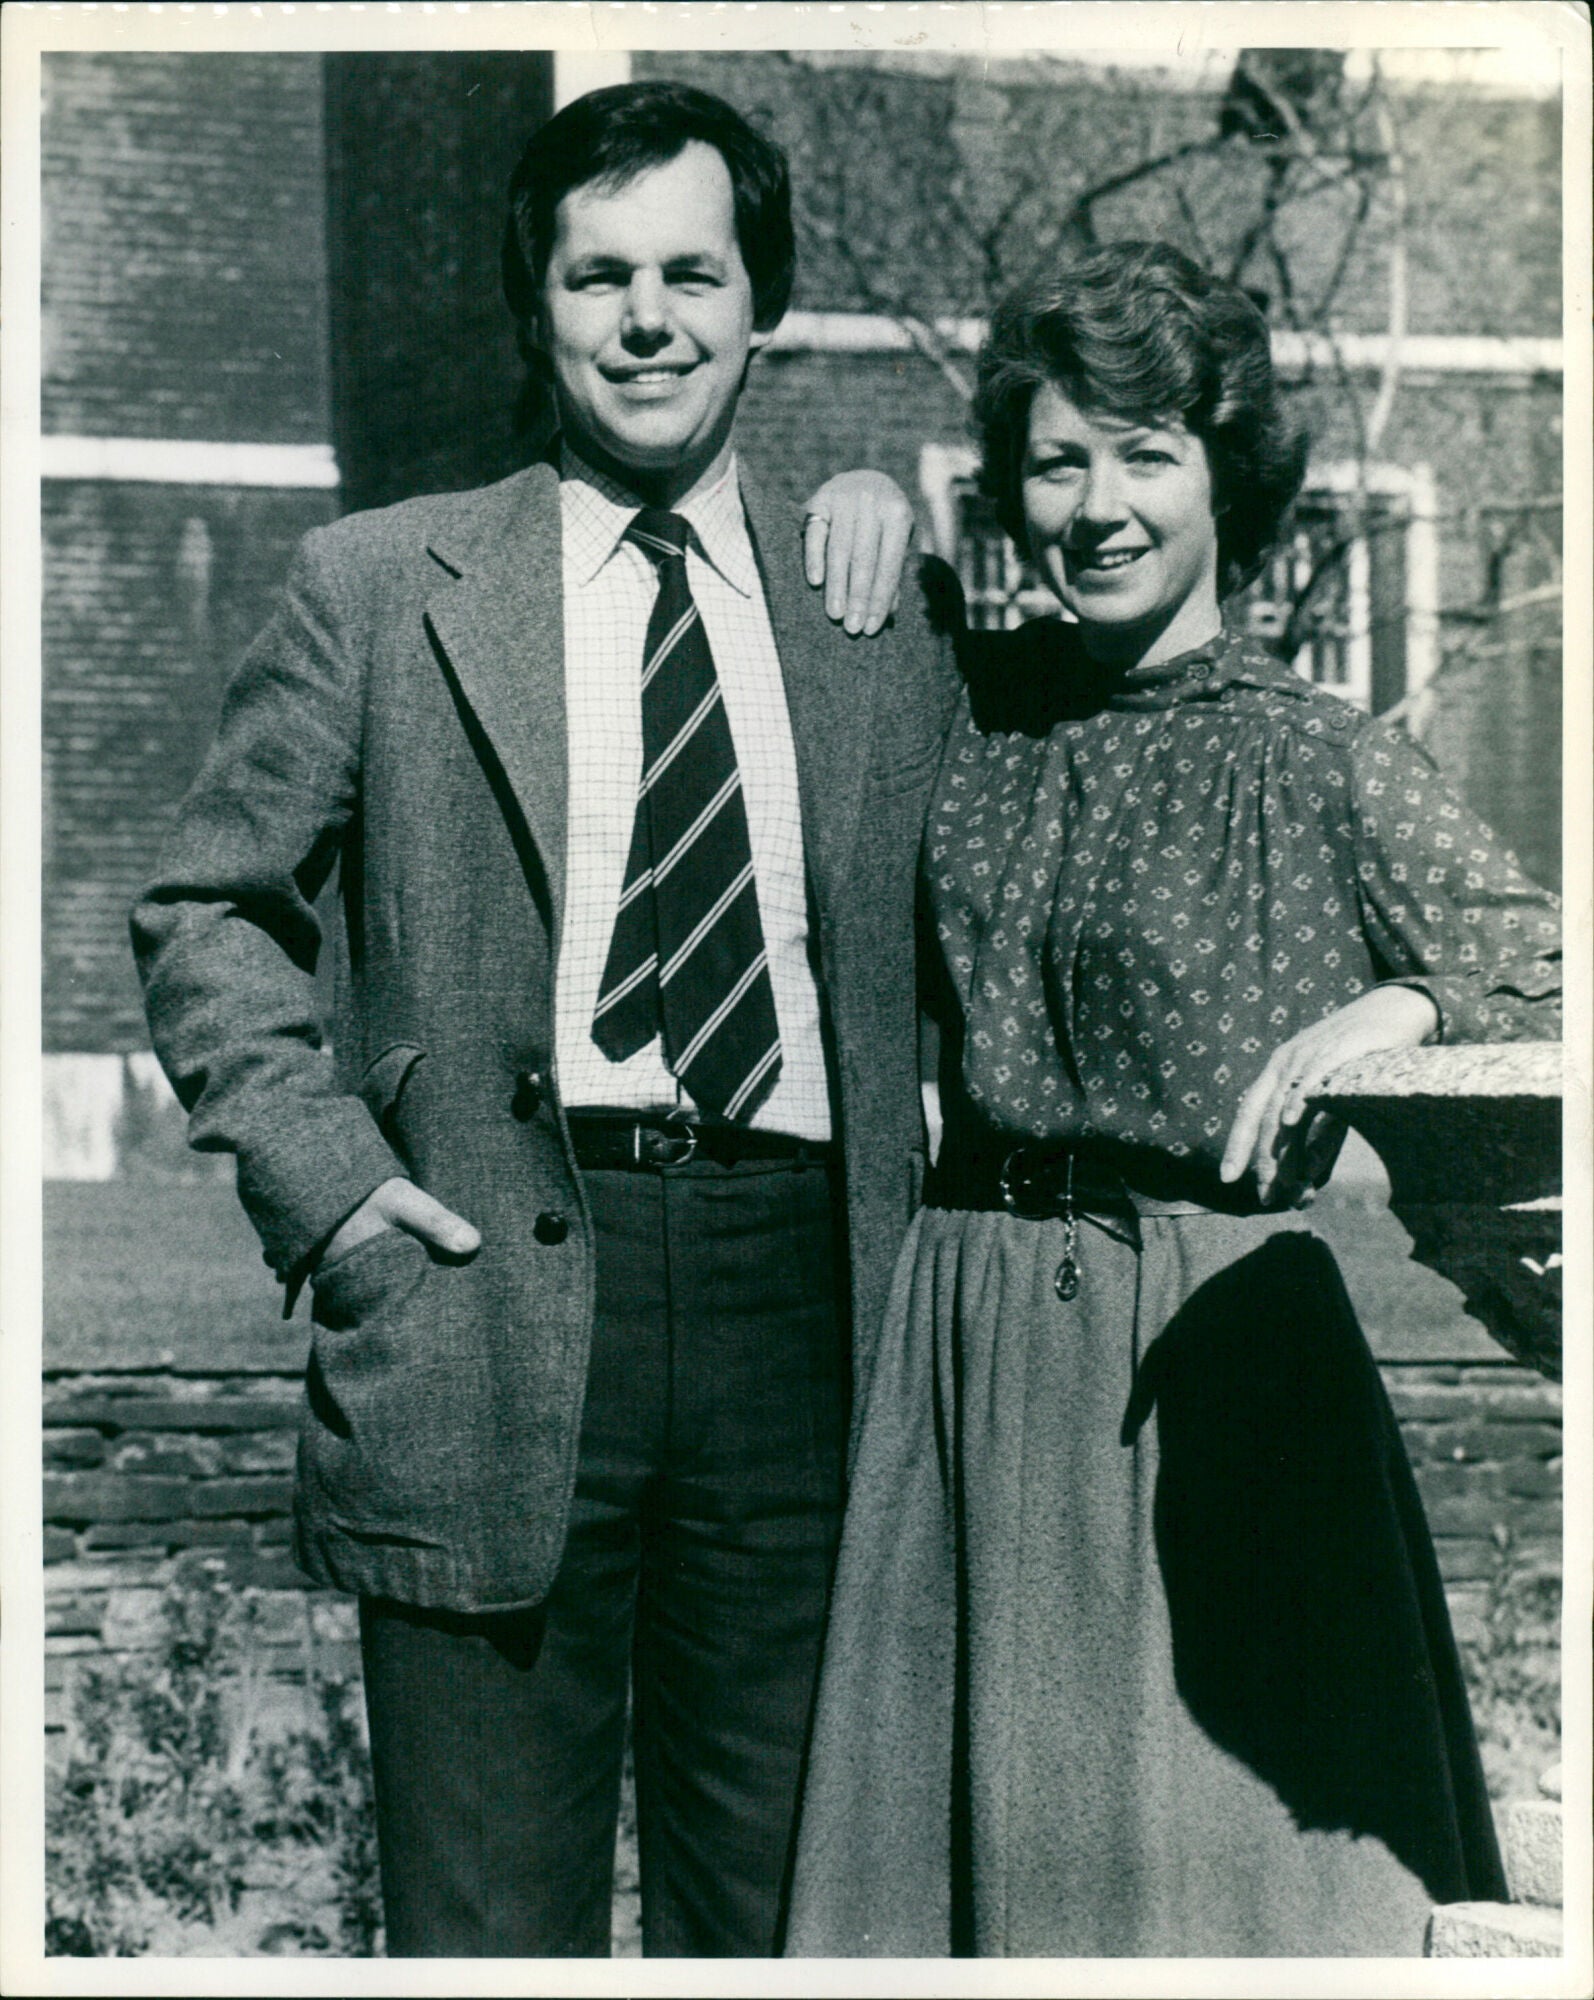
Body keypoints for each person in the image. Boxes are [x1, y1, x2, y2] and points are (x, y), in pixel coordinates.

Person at [132, 81, 949, 1958]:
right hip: (482, 1294)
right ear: (538, 306)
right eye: (599, 278)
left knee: (787, 1922)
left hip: (803, 1315)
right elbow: (206, 907)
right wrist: (333, 1187)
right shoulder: (381, 586)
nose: (647, 318)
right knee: (486, 1929)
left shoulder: (878, 612)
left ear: (762, 307)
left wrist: (885, 494)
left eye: (690, 272)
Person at [784, 241, 1561, 1958]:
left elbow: (1546, 966)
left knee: (1214, 1886)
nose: (1099, 506)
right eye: (1057, 460)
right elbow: (801, 616)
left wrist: (1396, 1002)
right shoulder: (969, 709)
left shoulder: (1322, 753)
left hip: (1215, 1356)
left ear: (1229, 475)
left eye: (1148, 455)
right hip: (963, 1333)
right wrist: (844, 487)